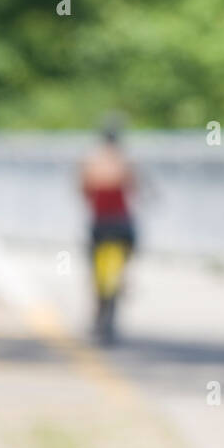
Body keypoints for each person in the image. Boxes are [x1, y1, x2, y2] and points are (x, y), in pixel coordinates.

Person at [79, 117, 137, 341]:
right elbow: (135, 187)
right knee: (124, 262)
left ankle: (98, 313)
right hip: (121, 223)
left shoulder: (90, 160)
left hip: (99, 224)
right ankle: (124, 282)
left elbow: (83, 190)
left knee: (95, 272)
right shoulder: (125, 160)